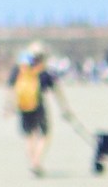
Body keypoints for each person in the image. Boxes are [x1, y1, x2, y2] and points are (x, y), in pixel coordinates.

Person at [10, 44, 72, 176]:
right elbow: (57, 92)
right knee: (45, 134)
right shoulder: (44, 73)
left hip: (23, 106)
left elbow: (11, 88)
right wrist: (65, 109)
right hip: (38, 105)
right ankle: (36, 162)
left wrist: (9, 106)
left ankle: (32, 162)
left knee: (29, 135)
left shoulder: (20, 70)